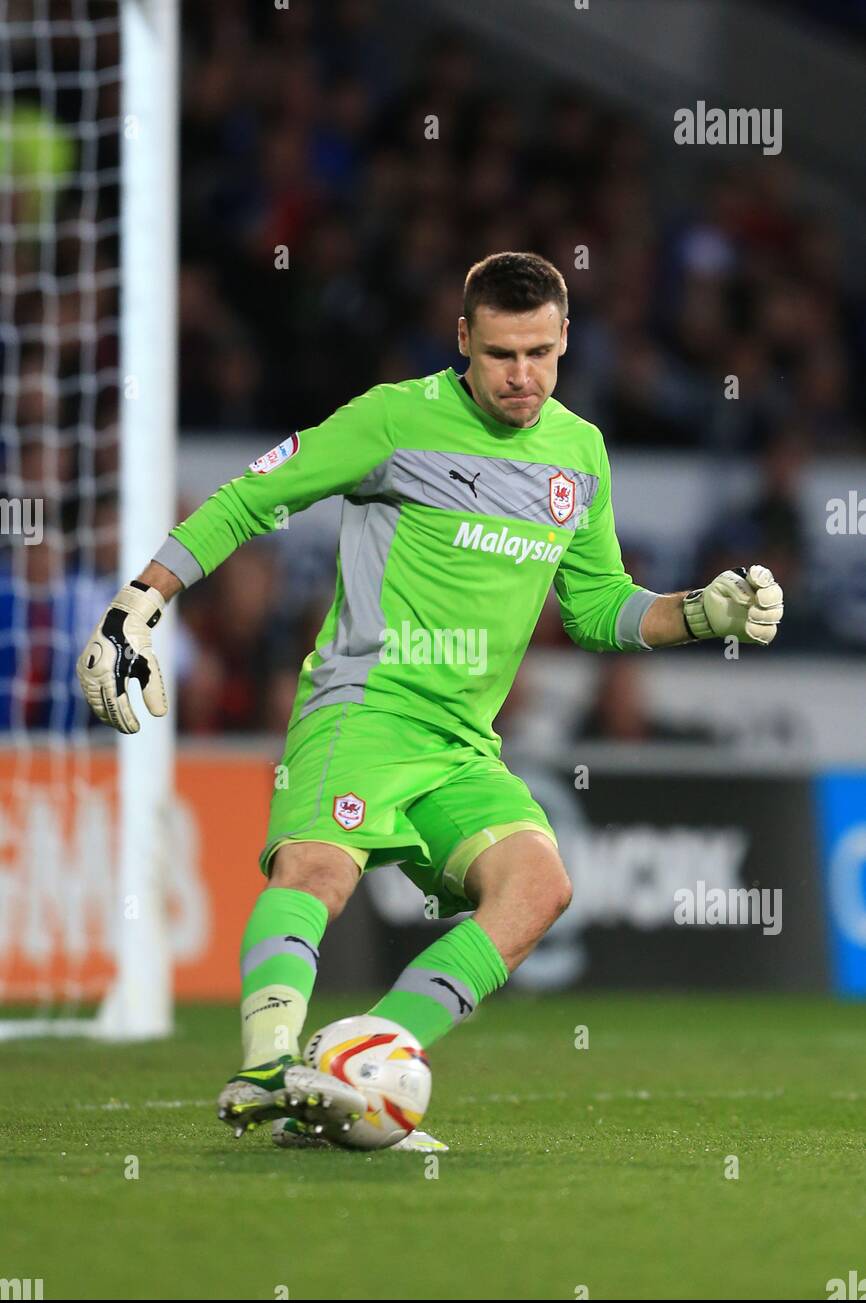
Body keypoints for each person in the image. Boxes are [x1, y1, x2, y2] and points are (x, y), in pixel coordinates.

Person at [76, 251, 784, 1151]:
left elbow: (600, 609)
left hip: (461, 745)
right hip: (362, 707)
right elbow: (251, 500)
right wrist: (140, 602)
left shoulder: (580, 454)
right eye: (499, 355)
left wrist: (700, 612)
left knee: (537, 888)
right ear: (462, 341)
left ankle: (367, 1066)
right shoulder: (393, 419)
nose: (521, 375)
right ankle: (264, 1066)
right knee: (319, 871)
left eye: (538, 352)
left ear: (566, 339)